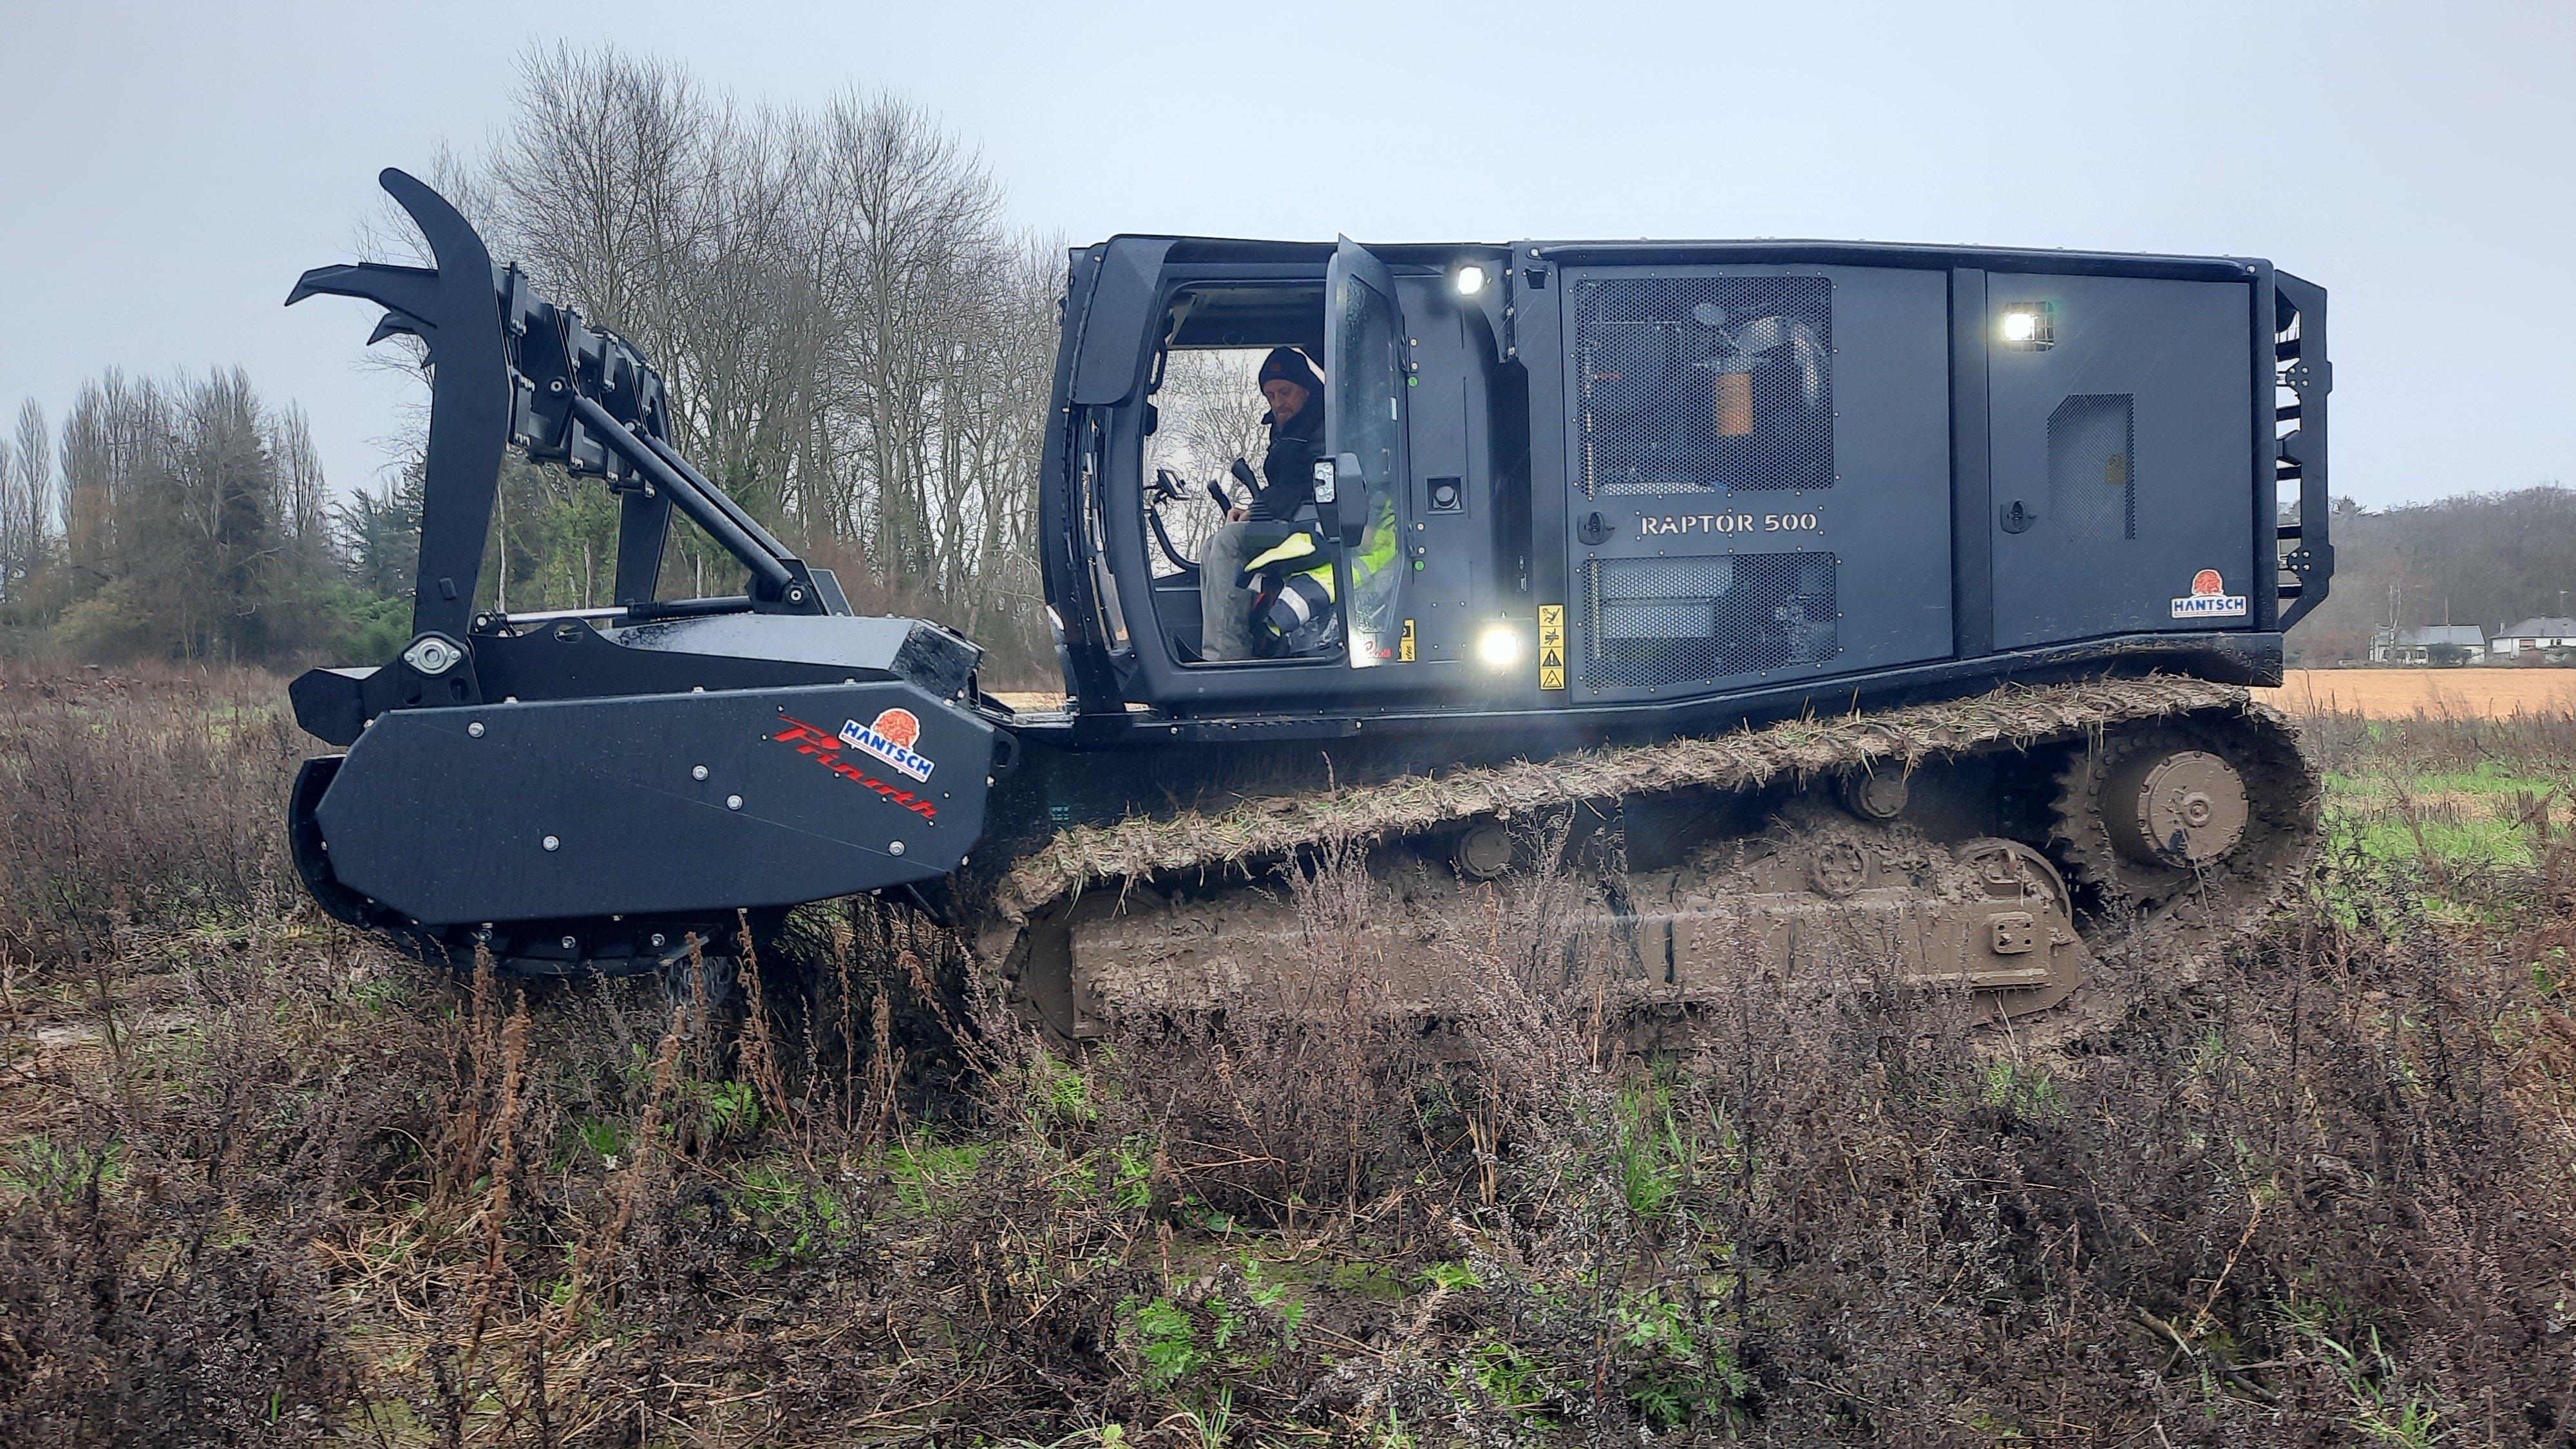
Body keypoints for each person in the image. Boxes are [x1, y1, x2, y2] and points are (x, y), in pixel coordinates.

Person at [1199, 347, 1327, 661]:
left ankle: (1226, 658)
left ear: (1307, 388)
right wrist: (1252, 512)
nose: (1278, 403)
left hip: (1318, 526)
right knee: (1211, 545)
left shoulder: (1324, 424)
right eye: (1270, 395)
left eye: (1285, 392)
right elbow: (1284, 488)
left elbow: (1303, 486)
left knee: (1230, 542)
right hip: (1296, 520)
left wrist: (1256, 513)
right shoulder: (1288, 427)